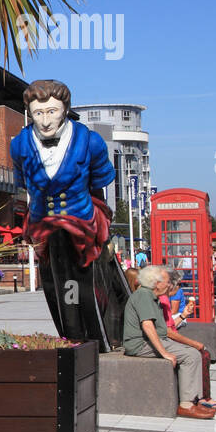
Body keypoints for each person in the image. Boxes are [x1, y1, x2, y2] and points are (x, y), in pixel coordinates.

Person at [9, 79, 130, 351]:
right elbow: (24, 183)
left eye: (52, 111)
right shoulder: (19, 145)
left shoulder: (90, 142)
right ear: (29, 112)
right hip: (44, 228)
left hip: (82, 225)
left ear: (65, 109)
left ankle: (100, 340)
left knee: (87, 287)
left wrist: (102, 226)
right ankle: (69, 336)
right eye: (38, 113)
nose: (45, 120)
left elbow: (98, 186)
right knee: (54, 287)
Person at [123, 266, 213, 419]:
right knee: (190, 356)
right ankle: (186, 405)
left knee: (194, 353)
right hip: (139, 344)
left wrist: (183, 316)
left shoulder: (152, 297)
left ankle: (194, 400)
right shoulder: (144, 295)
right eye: (167, 281)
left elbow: (163, 330)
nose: (170, 285)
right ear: (156, 283)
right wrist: (164, 353)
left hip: (153, 340)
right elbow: (147, 325)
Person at [159, 270, 216, 409]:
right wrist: (195, 344)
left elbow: (170, 326)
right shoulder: (162, 300)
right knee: (200, 354)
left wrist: (184, 315)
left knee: (201, 353)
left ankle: (200, 396)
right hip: (164, 340)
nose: (179, 288)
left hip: (168, 337)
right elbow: (168, 332)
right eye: (177, 285)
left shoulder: (164, 299)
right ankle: (198, 398)